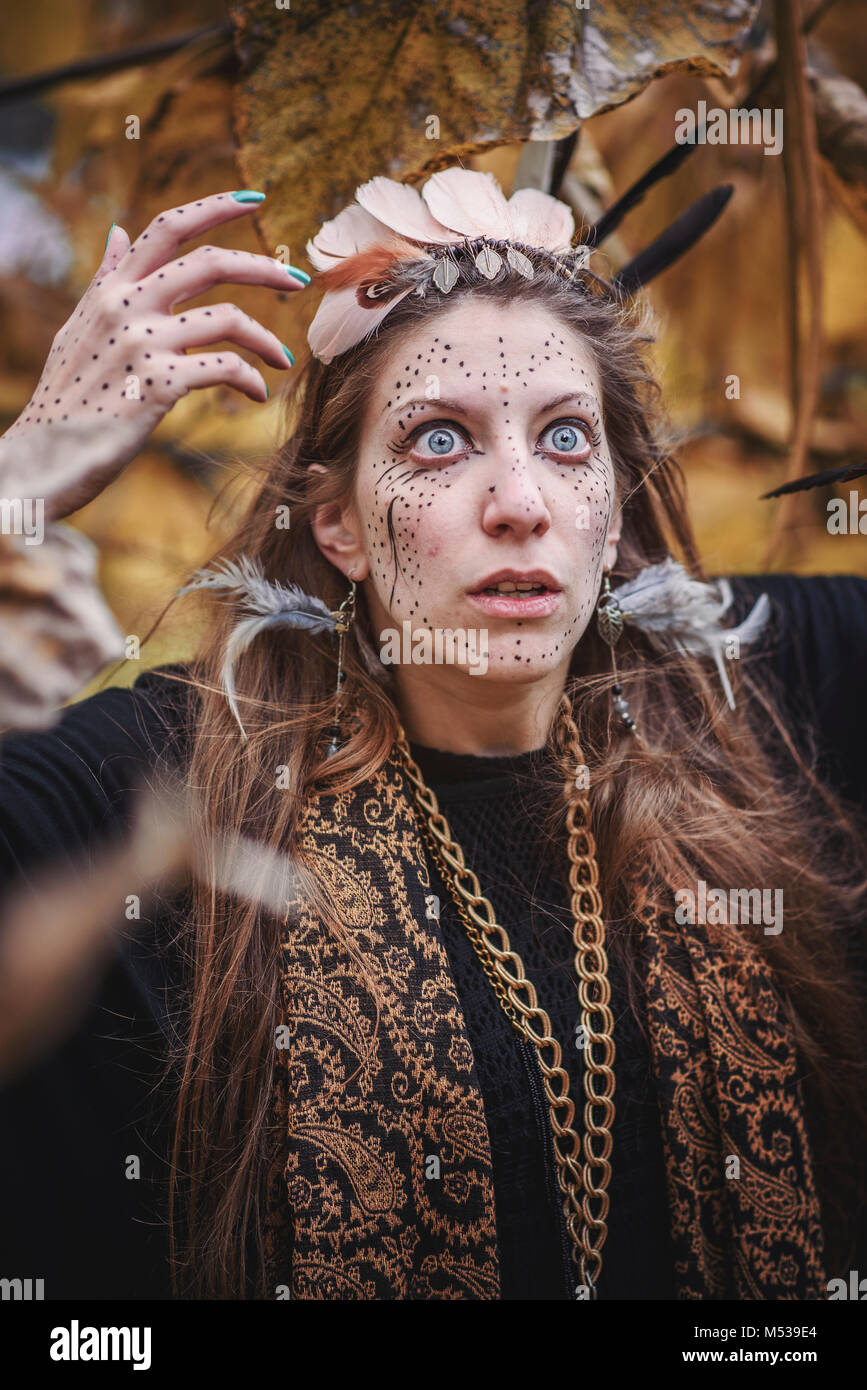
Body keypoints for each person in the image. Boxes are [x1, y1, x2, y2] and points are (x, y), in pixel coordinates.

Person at [0, 169, 865, 1303]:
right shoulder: (178, 784)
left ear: (610, 509)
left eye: (565, 437)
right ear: (342, 526)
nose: (519, 499)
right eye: (440, 441)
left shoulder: (753, 689)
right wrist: (23, 478)